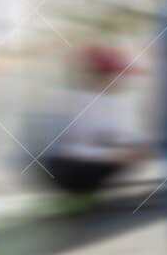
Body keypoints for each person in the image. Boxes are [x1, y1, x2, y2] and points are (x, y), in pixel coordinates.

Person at [35, 45, 152, 200]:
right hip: (65, 170)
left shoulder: (113, 103)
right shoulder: (77, 103)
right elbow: (70, 151)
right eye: (116, 76)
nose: (123, 82)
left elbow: (127, 138)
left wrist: (137, 150)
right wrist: (116, 155)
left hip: (89, 166)